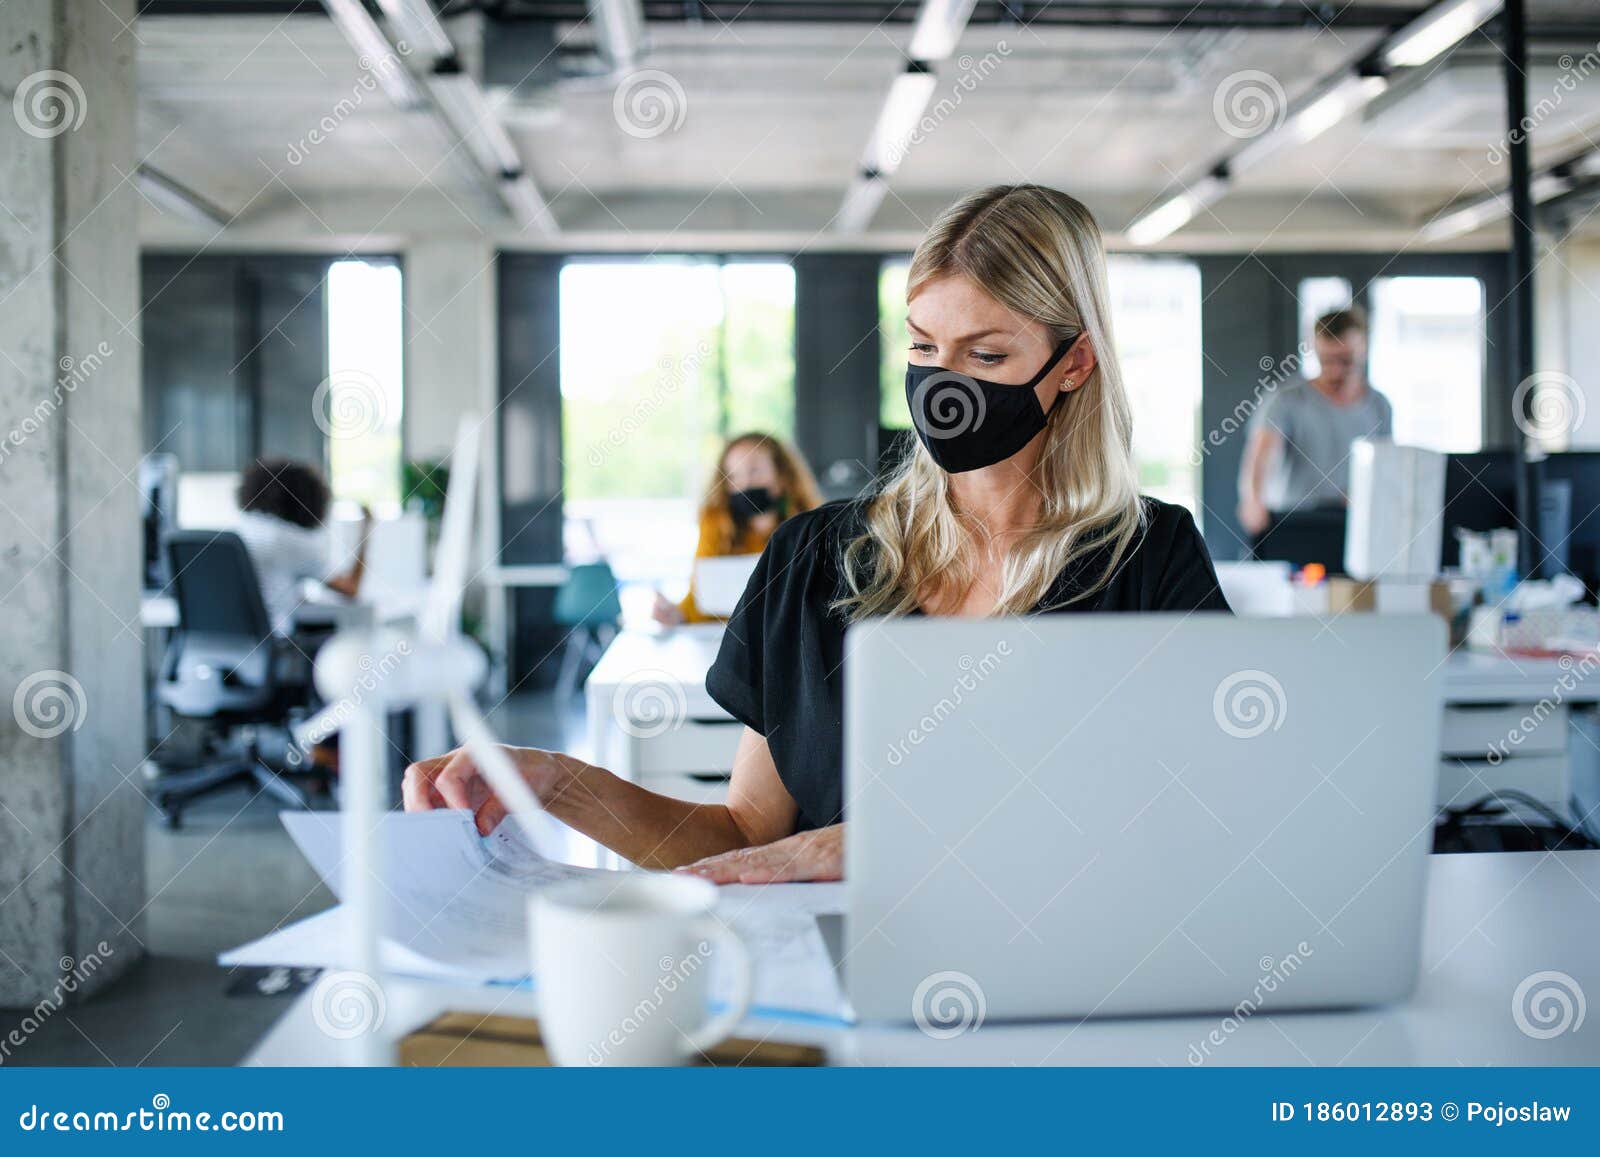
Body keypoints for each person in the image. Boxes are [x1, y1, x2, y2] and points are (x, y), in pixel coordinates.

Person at [403, 184, 1230, 883]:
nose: (944, 387)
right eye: (924, 346)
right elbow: (748, 837)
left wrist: (881, 848)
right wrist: (556, 782)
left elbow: (1189, 834)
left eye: (985, 356)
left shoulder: (1149, 562)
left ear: (1074, 365)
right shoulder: (813, 557)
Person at [1236, 307, 1393, 539]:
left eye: (1345, 360)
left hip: (1354, 524)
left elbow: (1385, 465)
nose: (1335, 369)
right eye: (1327, 360)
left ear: (1363, 348)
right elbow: (1261, 455)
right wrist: (1253, 498)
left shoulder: (1379, 405)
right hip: (1296, 521)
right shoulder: (1287, 400)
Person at [651, 432, 822, 626]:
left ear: (782, 475)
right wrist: (676, 615)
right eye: (734, 476)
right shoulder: (715, 523)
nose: (744, 484)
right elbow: (699, 600)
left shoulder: (811, 526)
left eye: (754, 471)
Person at [234, 458, 370, 636]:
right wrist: (366, 531)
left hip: (225, 644)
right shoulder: (287, 540)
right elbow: (350, 588)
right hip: (275, 641)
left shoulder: (242, 527)